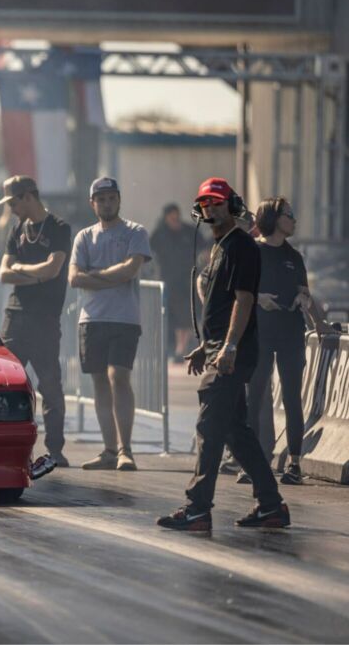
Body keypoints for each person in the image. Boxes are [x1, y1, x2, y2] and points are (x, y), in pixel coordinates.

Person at [157, 177, 289, 531]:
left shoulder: (241, 246)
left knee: (208, 424)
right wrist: (207, 344)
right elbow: (223, 304)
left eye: (217, 202)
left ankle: (198, 509)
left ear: (232, 206)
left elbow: (244, 300)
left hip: (234, 352)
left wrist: (228, 346)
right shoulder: (219, 248)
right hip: (220, 348)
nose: (210, 208)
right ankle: (272, 506)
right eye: (205, 203)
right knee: (234, 430)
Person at [243, 197, 335, 485]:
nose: (294, 220)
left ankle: (294, 464)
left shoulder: (294, 257)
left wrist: (305, 300)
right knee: (256, 395)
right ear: (272, 218)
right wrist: (260, 299)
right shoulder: (253, 253)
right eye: (288, 215)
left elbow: (305, 293)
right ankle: (253, 462)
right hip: (260, 332)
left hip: (290, 333)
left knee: (292, 397)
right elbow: (237, 291)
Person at [69, 177, 152, 471]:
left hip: (124, 318)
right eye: (101, 199)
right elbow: (74, 277)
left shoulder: (134, 232)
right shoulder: (84, 237)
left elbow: (130, 271)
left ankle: (125, 449)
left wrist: (95, 275)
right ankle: (108, 450)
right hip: (92, 318)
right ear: (93, 203)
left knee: (119, 376)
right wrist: (109, 276)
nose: (106, 203)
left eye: (111, 198)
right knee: (100, 382)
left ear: (119, 200)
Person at [0, 175, 72, 467]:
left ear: (28, 196)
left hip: (44, 318)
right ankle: (5, 444)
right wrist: (35, 274)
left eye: (13, 202)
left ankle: (55, 449)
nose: (11, 208)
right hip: (15, 315)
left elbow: (53, 270)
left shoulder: (59, 227)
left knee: (50, 384)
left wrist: (22, 270)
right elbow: (4, 274)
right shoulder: (16, 230)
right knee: (4, 383)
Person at [150, 204, 208, 361]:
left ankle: (181, 349)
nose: (174, 220)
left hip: (187, 280)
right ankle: (178, 348)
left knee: (188, 316)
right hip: (169, 281)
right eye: (171, 217)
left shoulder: (189, 231)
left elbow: (204, 247)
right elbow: (150, 253)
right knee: (174, 318)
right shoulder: (160, 234)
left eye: (176, 216)